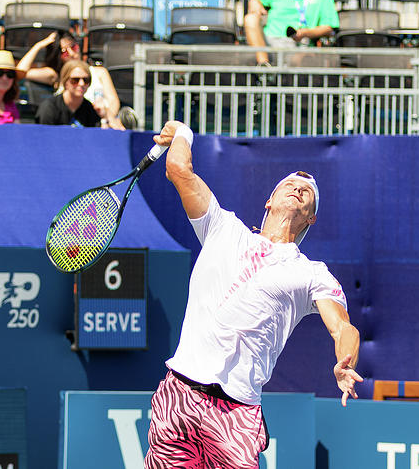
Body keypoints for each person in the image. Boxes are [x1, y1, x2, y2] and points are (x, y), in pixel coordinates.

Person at [144, 120, 362, 469]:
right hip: (179, 396)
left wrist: (345, 361)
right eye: (289, 184)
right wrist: (183, 133)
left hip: (236, 412)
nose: (297, 188)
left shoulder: (312, 274)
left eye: (306, 191)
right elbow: (178, 169)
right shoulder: (222, 228)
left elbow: (343, 327)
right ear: (269, 200)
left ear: (312, 218)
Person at [17, 30, 127, 129]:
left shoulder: (99, 72)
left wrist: (108, 117)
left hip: (99, 123)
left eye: (73, 47)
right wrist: (39, 45)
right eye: (64, 52)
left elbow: (113, 101)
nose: (72, 54)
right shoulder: (56, 76)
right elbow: (19, 73)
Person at [34, 59, 102, 127]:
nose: (81, 84)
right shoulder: (49, 108)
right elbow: (44, 133)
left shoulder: (91, 110)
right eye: (75, 80)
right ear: (65, 82)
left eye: (86, 80)